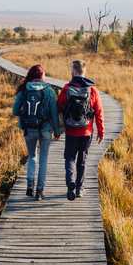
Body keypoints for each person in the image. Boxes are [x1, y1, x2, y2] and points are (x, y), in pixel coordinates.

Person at [57, 59, 104, 201]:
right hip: (86, 132)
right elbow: (99, 112)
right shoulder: (93, 90)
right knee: (82, 160)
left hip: (71, 131)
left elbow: (58, 107)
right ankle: (79, 189)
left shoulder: (66, 88)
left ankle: (70, 183)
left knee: (69, 158)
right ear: (85, 72)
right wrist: (101, 131)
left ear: (74, 71)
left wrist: (58, 129)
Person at [13, 64, 61, 200]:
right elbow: (54, 114)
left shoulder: (24, 89)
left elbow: (15, 111)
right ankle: (39, 191)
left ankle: (29, 185)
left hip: (29, 129)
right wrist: (57, 131)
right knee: (44, 159)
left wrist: (25, 115)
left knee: (32, 156)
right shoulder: (50, 91)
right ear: (42, 76)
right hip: (45, 130)